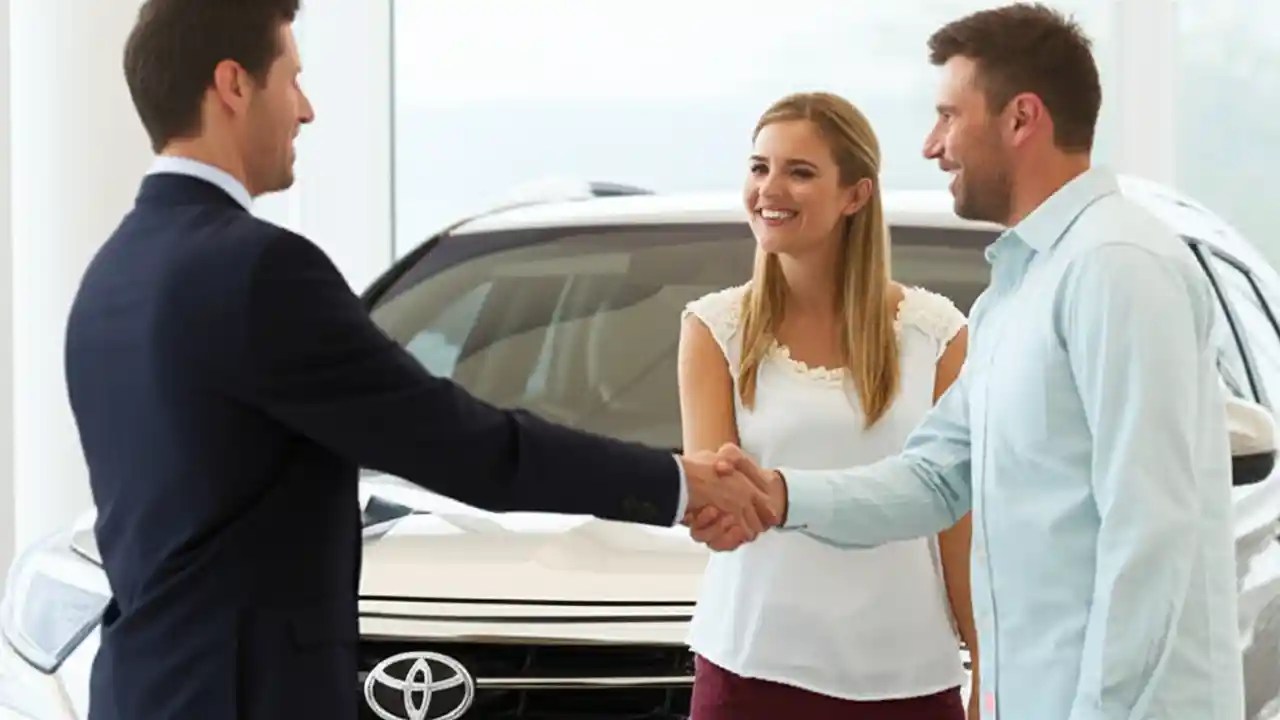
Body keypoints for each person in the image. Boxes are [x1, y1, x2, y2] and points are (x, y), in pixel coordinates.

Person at [63, 2, 772, 719]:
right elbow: (461, 444)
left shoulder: (108, 278)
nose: (304, 111)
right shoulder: (259, 271)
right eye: (292, 79)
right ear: (233, 86)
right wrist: (677, 483)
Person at [691, 4, 1245, 720]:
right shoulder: (1014, 293)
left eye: (949, 116)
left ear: (1021, 119)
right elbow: (933, 479)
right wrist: (779, 495)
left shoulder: (1117, 267)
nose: (931, 145)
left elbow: (1151, 535)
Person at [678, 92, 977, 720]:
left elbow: (960, 524)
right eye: (759, 167)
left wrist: (989, 672)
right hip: (751, 670)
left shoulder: (937, 335)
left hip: (906, 676)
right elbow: (719, 509)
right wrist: (718, 504)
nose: (769, 188)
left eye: (800, 171)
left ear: (856, 195)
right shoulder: (715, 329)